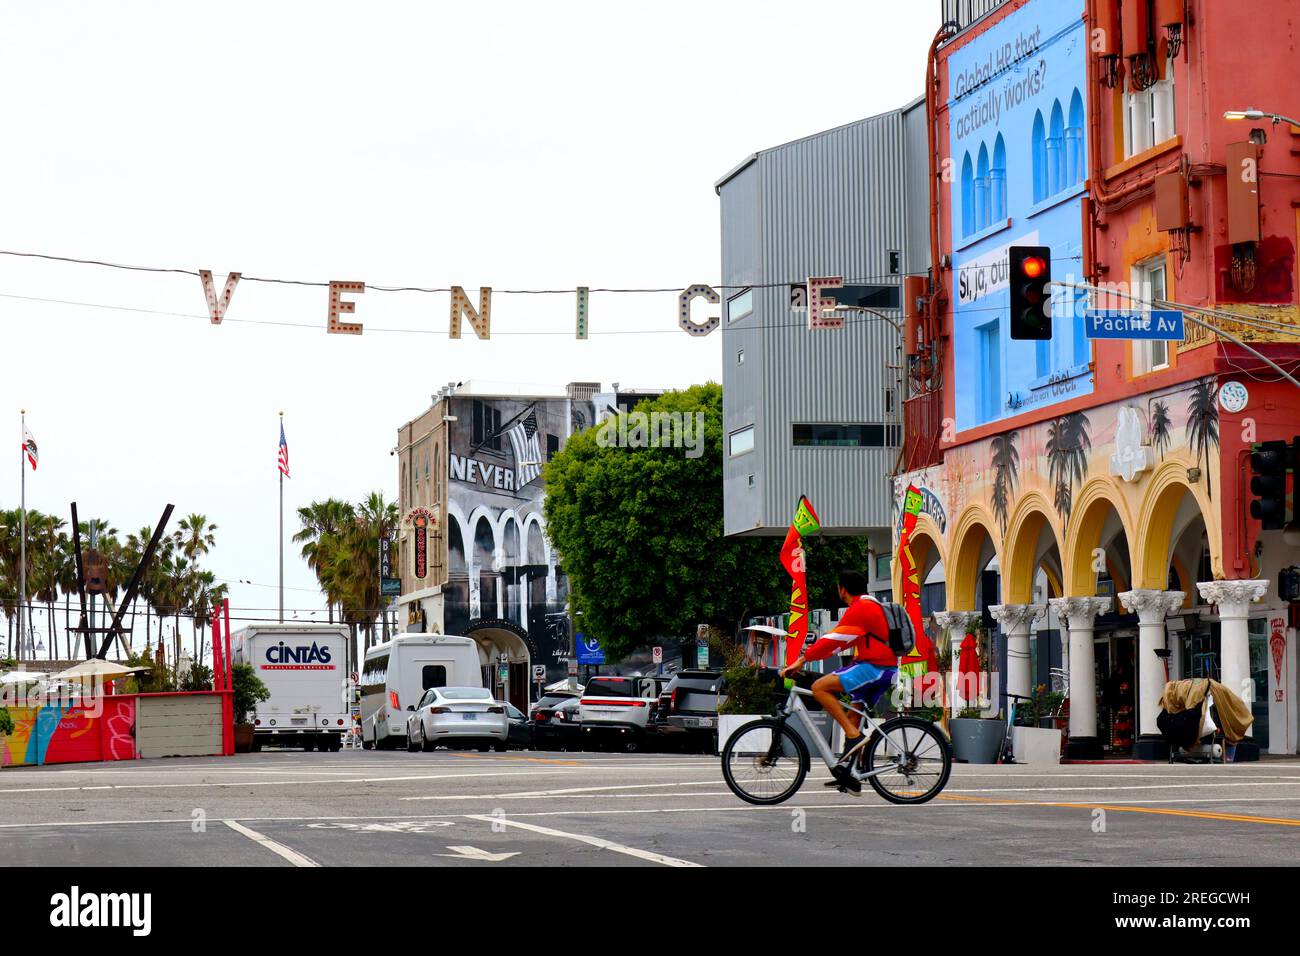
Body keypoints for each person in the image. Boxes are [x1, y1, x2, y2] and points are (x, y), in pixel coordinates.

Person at [781, 570, 898, 794]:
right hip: (881, 667)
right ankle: (851, 775)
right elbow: (842, 643)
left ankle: (855, 737)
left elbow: (832, 639)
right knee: (853, 717)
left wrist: (801, 660)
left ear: (842, 589)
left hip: (875, 667)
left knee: (819, 687)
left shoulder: (860, 608)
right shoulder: (870, 606)